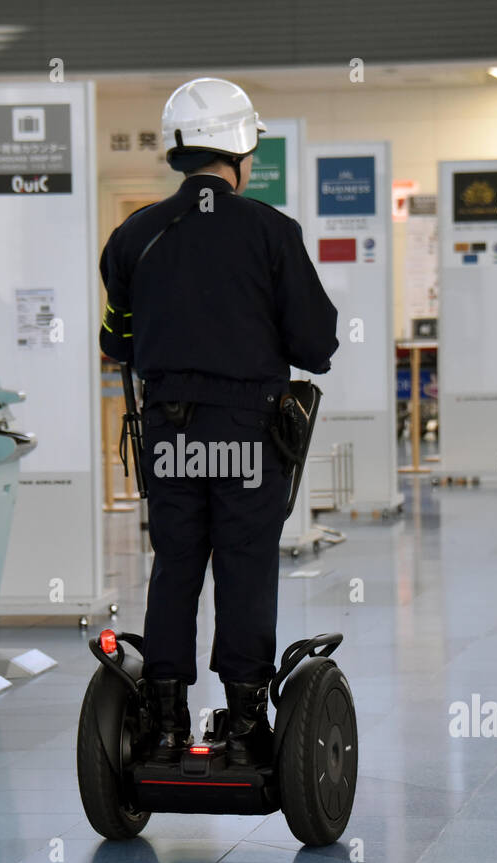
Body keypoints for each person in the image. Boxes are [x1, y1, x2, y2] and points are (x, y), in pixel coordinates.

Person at [97, 77, 338, 766]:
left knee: (175, 564)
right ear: (240, 149)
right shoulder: (272, 233)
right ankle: (242, 720)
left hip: (169, 437)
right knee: (245, 564)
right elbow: (315, 346)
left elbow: (117, 342)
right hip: (248, 437)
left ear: (176, 150)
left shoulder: (134, 236)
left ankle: (164, 717)